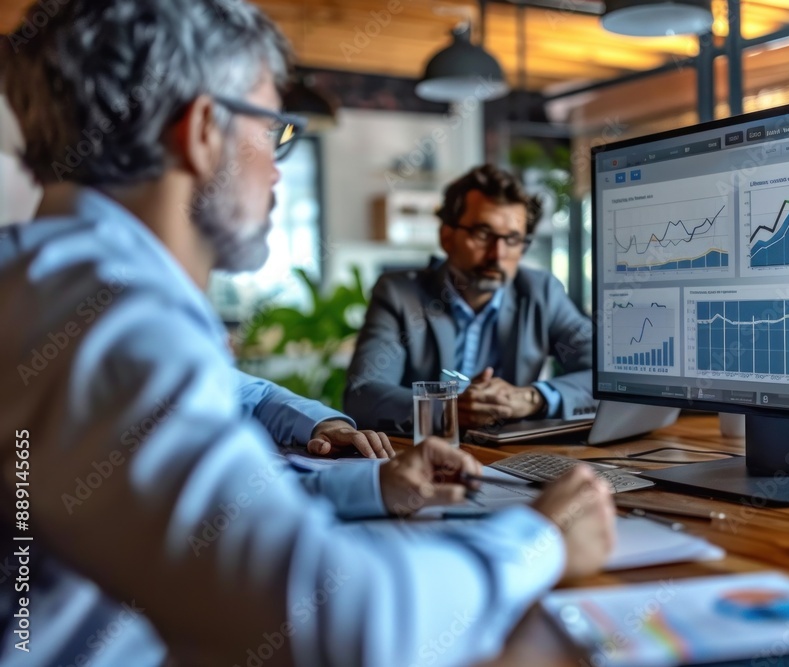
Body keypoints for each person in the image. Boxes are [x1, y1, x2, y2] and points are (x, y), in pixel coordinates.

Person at [0, 2, 616, 666]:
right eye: (273, 130)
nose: (276, 170)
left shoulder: (47, 277)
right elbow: (345, 625)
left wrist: (376, 483)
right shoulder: (109, 320)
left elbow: (224, 468)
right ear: (204, 130)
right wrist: (541, 538)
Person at [344, 165, 596, 432]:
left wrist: (534, 398)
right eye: (483, 234)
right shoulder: (398, 294)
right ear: (447, 237)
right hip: (422, 458)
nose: (497, 255)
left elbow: (608, 377)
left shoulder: (541, 292)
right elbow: (362, 395)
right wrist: (447, 409)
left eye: (512, 239)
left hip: (508, 456)